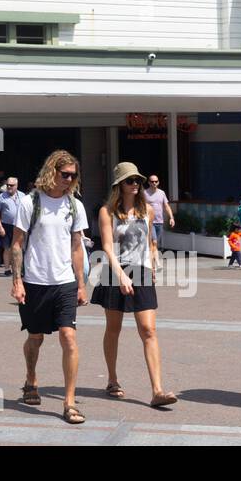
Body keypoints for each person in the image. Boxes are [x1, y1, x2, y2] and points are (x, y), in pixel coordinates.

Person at [8, 150, 90, 425]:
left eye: (73, 175)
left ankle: (69, 402)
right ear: (51, 171)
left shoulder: (74, 206)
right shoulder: (31, 202)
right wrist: (17, 282)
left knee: (69, 337)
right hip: (35, 282)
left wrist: (81, 284)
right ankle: (31, 379)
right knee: (36, 338)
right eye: (64, 174)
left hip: (65, 281)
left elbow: (77, 246)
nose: (68, 179)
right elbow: (17, 244)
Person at [92, 164, 177, 408]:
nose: (135, 184)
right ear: (119, 185)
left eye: (137, 180)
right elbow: (107, 246)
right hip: (115, 271)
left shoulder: (147, 210)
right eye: (130, 181)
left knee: (149, 330)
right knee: (113, 328)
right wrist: (120, 275)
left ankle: (157, 390)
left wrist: (152, 263)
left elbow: (150, 241)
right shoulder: (107, 212)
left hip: (141, 272)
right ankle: (112, 379)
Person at [0, 176, 28, 276]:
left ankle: (20, 269)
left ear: (16, 185)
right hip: (6, 225)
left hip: (19, 225)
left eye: (11, 185)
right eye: (7, 185)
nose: (9, 187)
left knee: (19, 247)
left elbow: (26, 211)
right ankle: (7, 269)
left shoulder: (23, 196)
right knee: (7, 248)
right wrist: (0, 227)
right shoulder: (2, 196)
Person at [144, 173, 176, 248]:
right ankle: (153, 258)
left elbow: (166, 206)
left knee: (155, 243)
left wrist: (171, 218)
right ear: (149, 182)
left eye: (156, 181)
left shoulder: (162, 193)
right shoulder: (144, 193)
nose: (154, 183)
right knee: (154, 241)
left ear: (158, 182)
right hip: (150, 221)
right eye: (152, 181)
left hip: (160, 222)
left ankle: (152, 257)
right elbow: (140, 206)